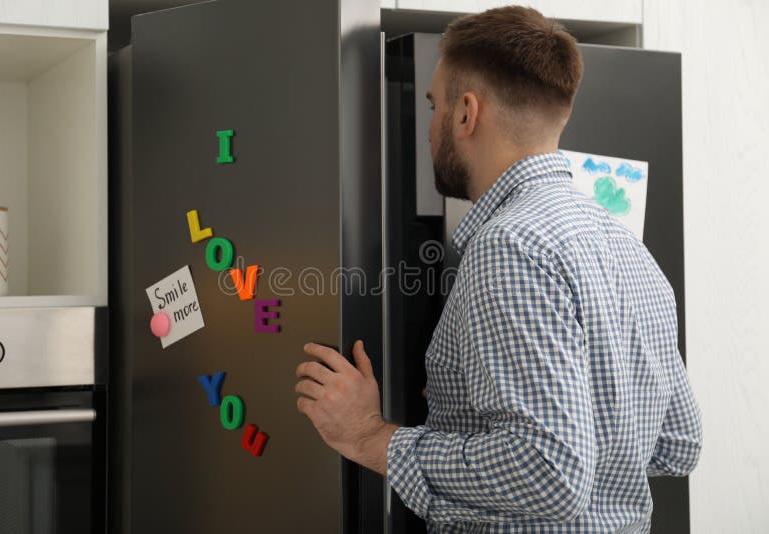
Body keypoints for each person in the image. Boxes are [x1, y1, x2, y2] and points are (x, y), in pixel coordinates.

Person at [294, 6, 702, 532]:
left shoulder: (511, 247)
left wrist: (370, 435)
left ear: (466, 113)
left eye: (434, 105)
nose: (431, 126)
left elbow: (549, 475)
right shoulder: (627, 246)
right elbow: (676, 444)